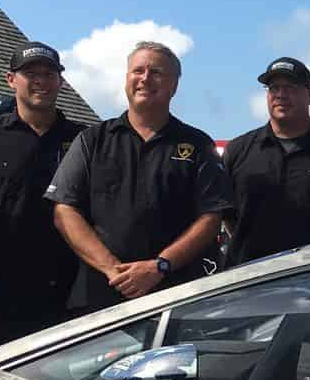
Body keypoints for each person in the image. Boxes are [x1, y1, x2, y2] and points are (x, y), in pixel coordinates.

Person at [46, 41, 231, 313]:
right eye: (138, 71)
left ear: (174, 86)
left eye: (157, 72)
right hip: (99, 296)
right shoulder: (91, 140)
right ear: (126, 79)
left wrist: (159, 266)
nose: (145, 78)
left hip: (176, 296)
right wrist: (113, 269)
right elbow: (64, 210)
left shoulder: (197, 144)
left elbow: (212, 217)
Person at [0, 42, 88, 352]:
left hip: (63, 287)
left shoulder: (82, 138)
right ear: (11, 79)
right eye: (31, 74)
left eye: (49, 74)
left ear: (60, 81)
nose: (41, 81)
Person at [221, 57, 310, 267]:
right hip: (245, 280)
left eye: (290, 87)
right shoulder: (237, 150)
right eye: (274, 88)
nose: (281, 95)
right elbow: (227, 217)